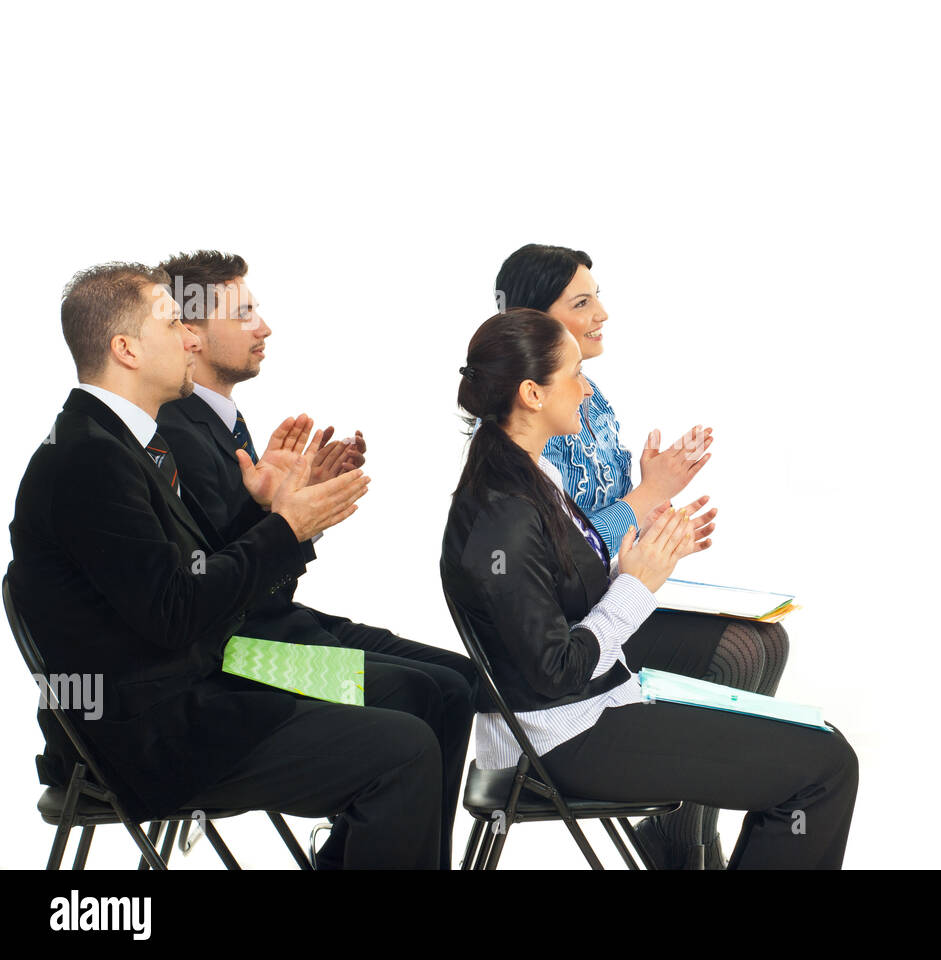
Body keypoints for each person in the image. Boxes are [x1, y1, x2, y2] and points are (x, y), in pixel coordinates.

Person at [8, 262, 443, 868]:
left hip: (187, 696)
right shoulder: (89, 460)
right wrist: (286, 529)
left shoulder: (119, 444)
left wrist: (268, 516)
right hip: (145, 738)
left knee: (425, 707)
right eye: (172, 324)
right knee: (405, 747)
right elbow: (178, 612)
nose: (190, 338)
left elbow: (193, 583)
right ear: (126, 349)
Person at [441, 308, 857, 869]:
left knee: (815, 736)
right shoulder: (505, 513)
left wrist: (641, 560)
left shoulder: (524, 476)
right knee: (824, 769)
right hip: (558, 738)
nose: (586, 389)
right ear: (532, 395)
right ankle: (681, 844)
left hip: (583, 710)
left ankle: (681, 843)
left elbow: (558, 597)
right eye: (573, 375)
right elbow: (554, 671)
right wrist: (637, 585)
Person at [154, 250, 476, 869]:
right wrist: (292, 522)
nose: (264, 327)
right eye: (243, 313)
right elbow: (220, 584)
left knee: (458, 683)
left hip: (281, 626)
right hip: (251, 653)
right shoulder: (175, 431)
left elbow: (250, 559)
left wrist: (300, 516)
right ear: (189, 332)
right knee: (417, 692)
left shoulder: (221, 424)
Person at [494, 244, 791, 867]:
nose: (602, 312)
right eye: (582, 302)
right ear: (533, 323)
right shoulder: (518, 424)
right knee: (740, 655)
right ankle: (683, 844)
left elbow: (607, 517)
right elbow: (562, 551)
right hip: (572, 635)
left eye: (597, 295)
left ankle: (681, 832)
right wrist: (651, 496)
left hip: (612, 596)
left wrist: (658, 520)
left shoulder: (587, 395)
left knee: (765, 642)